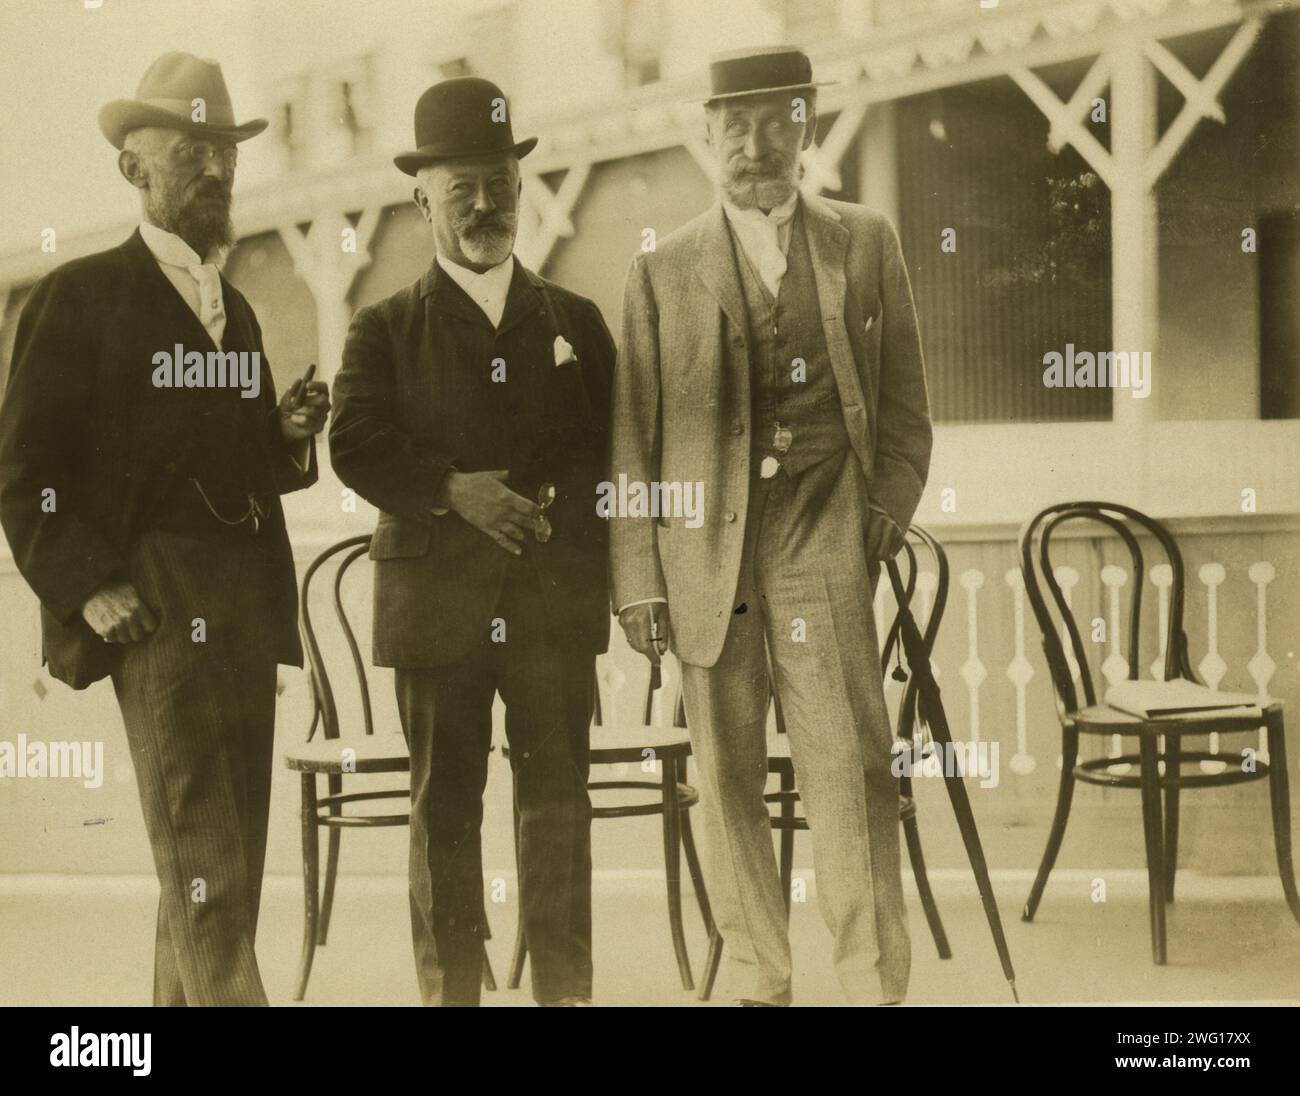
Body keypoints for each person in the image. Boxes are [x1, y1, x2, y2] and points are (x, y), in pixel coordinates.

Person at [0, 51, 328, 1005]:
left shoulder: (240, 315)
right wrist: (88, 583)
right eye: (192, 151)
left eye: (225, 151)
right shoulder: (79, 297)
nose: (217, 171)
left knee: (217, 862)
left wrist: (286, 436)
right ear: (134, 168)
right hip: (154, 609)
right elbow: (25, 473)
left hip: (245, 602)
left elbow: (238, 467)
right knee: (207, 862)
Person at [610, 45, 932, 1006]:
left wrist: (884, 511)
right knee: (729, 779)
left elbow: (909, 406)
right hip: (705, 555)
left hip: (823, 542)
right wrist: (640, 579)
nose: (755, 144)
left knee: (853, 772)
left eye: (776, 120)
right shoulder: (661, 269)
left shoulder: (864, 240)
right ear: (707, 135)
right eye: (735, 125)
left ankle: (873, 983)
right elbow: (633, 440)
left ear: (808, 125)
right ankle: (760, 979)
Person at [329, 77, 615, 1006]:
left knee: (556, 802)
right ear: (423, 200)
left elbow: (614, 452)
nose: (486, 206)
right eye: (462, 191)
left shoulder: (577, 322)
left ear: (520, 187)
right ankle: (452, 991)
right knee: (443, 806)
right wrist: (454, 492)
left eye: (500, 184)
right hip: (437, 606)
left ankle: (565, 989)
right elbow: (355, 444)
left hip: (549, 603)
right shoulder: (381, 327)